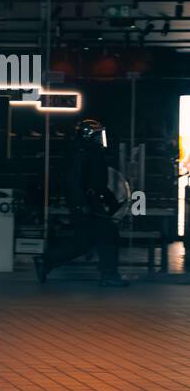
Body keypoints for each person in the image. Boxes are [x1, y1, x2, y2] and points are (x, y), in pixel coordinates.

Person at [35, 118, 128, 287]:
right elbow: (75, 181)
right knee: (107, 235)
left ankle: (46, 261)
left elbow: (94, 182)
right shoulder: (83, 153)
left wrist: (110, 201)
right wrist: (82, 203)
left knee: (83, 243)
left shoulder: (88, 152)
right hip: (87, 203)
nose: (101, 138)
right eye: (99, 135)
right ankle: (109, 275)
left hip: (87, 202)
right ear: (89, 135)